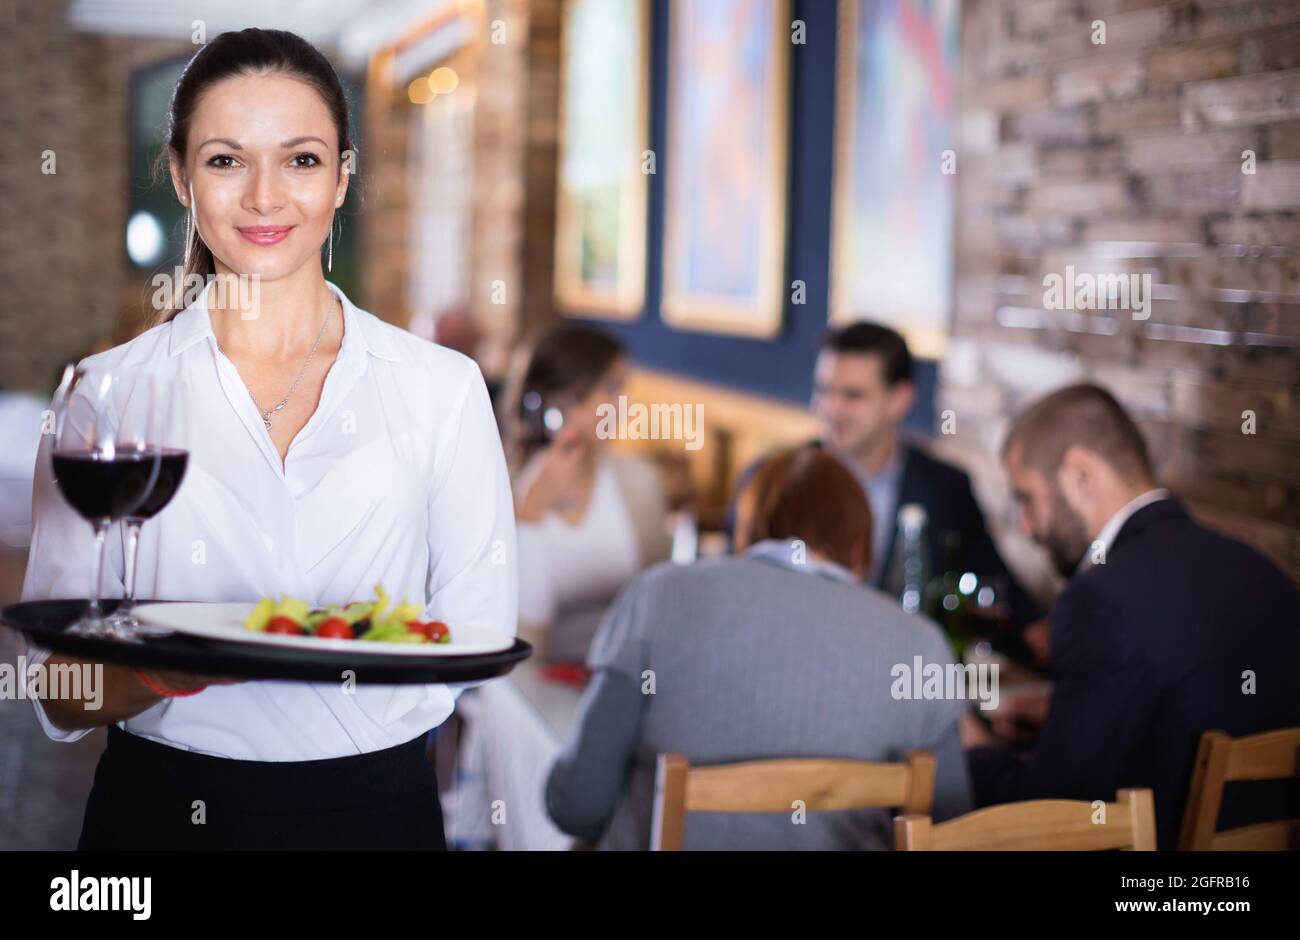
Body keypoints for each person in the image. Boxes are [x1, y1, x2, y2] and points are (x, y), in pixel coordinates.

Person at [20, 28, 516, 850]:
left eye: (301, 159)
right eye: (224, 160)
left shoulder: (443, 388)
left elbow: (477, 633)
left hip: (377, 814)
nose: (263, 197)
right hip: (162, 816)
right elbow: (54, 686)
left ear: (344, 176)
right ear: (181, 176)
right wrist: (153, 672)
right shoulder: (107, 395)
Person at [546, 447, 972, 850]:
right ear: (860, 549)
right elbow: (951, 831)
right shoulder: (922, 646)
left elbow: (575, 805)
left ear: (744, 531)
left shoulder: (657, 597)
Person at [964, 383, 1300, 849]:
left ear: (1080, 475)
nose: (1025, 526)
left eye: (1026, 498)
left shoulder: (1098, 599)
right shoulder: (1262, 571)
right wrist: (1064, 716)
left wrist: (971, 747)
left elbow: (1049, 816)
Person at [730, 321, 1043, 660]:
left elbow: (997, 587)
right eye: (823, 390)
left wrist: (1046, 633)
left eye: (852, 395)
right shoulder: (772, 482)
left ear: (900, 400)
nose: (830, 409)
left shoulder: (946, 487)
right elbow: (736, 590)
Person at [502, 323, 670, 663]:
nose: (624, 405)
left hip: (620, 681)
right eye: (610, 389)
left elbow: (661, 605)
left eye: (623, 389)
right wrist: (530, 517)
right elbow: (514, 635)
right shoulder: (502, 489)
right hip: (527, 688)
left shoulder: (640, 482)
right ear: (563, 397)